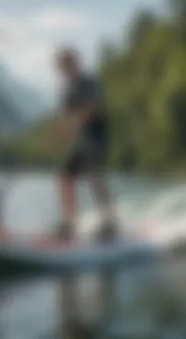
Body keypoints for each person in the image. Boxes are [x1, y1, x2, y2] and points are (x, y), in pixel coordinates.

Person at [53, 47, 118, 242]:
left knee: (93, 174)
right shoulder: (66, 91)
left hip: (97, 134)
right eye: (61, 67)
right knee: (64, 178)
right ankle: (69, 225)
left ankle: (109, 223)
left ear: (75, 63)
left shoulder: (88, 83)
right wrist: (60, 133)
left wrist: (73, 122)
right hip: (82, 138)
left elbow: (92, 108)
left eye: (66, 65)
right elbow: (65, 117)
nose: (64, 70)